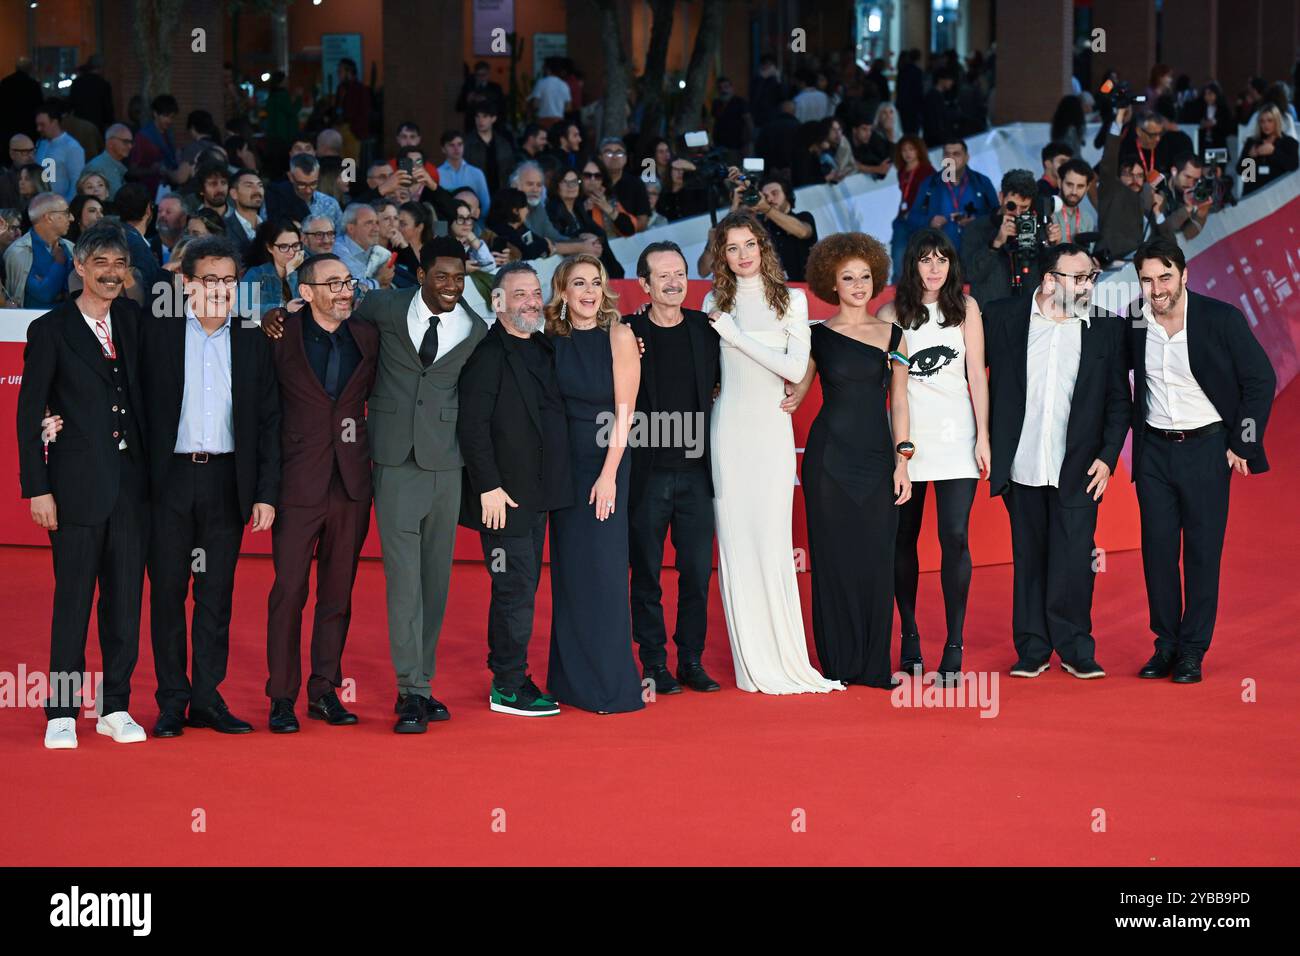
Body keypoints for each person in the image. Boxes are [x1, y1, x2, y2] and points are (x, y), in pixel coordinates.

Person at [140, 236, 281, 738]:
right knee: (168, 593)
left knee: (216, 594)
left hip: (227, 481)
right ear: (185, 283)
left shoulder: (252, 338)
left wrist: (266, 493)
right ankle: (172, 700)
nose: (220, 289)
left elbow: (269, 422)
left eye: (228, 280)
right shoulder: (155, 333)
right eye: (208, 280)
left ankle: (206, 698)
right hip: (168, 481)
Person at [17, 222, 149, 749]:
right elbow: (29, 416)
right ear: (80, 267)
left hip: (132, 487)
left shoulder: (136, 320)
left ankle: (116, 706)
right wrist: (38, 489)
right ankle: (61, 712)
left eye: (120, 265)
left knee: (124, 601)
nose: (112, 273)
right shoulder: (50, 330)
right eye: (102, 264)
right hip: (73, 487)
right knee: (73, 599)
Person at [350, 237, 489, 731]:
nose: (451, 286)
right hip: (392, 460)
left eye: (459, 278)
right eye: (442, 276)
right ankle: (410, 690)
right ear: (422, 273)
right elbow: (336, 321)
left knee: (436, 580)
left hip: (445, 464)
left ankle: (423, 683)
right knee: (403, 581)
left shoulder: (474, 328)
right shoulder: (383, 306)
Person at [702, 210, 841, 695]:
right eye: (731, 247)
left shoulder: (792, 300)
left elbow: (793, 364)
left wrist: (735, 336)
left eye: (749, 245)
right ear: (721, 254)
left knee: (773, 541)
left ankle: (784, 655)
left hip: (770, 431)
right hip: (729, 434)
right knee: (736, 544)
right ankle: (750, 661)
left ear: (763, 247)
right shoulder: (713, 299)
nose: (742, 255)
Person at [1127, 238, 1276, 683]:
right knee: (1156, 553)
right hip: (1153, 450)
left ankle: (1193, 649)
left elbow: (1260, 379)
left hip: (1206, 450)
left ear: (1184, 275)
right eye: (1147, 279)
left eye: (1165, 277)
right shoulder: (1134, 319)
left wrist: (1242, 443)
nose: (1156, 288)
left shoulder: (1220, 319)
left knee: (1201, 554)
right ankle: (1165, 644)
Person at [983, 243, 1131, 680]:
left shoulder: (1107, 328)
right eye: (1078, 278)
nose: (1088, 286)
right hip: (1022, 463)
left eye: (1091, 277)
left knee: (1073, 558)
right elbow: (971, 374)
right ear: (1049, 279)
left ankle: (1075, 646)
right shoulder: (1005, 318)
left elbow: (1119, 402)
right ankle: (1032, 648)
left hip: (1081, 466)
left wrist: (1107, 458)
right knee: (1029, 557)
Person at [785, 233, 911, 688]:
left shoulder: (895, 335)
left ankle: (875, 664)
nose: (858, 284)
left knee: (877, 558)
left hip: (878, 460)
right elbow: (796, 391)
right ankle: (837, 663)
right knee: (834, 560)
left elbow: (900, 401)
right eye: (847, 277)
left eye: (864, 276)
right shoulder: (815, 337)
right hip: (828, 463)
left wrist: (903, 461)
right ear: (831, 283)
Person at [264, 253, 378, 732]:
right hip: (297, 483)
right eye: (331, 283)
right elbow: (262, 413)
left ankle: (324, 690)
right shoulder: (276, 334)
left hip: (351, 483)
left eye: (347, 281)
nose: (344, 290)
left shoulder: (368, 336)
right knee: (289, 592)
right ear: (305, 292)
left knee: (338, 592)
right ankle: (281, 697)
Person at [456, 262, 571, 716]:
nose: (529, 301)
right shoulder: (486, 355)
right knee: (514, 589)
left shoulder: (544, 347)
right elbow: (472, 426)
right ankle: (507, 683)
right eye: (519, 294)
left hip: (542, 494)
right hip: (504, 499)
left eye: (534, 292)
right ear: (497, 302)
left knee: (522, 587)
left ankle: (512, 673)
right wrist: (489, 488)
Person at [879, 228, 988, 678]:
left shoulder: (966, 308)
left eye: (942, 259)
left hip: (956, 437)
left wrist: (984, 436)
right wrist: (898, 454)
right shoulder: (891, 313)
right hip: (909, 441)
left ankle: (954, 644)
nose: (934, 268)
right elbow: (890, 389)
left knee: (955, 537)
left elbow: (977, 376)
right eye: (925, 259)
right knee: (903, 539)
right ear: (912, 265)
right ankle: (909, 636)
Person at [542, 253, 644, 713]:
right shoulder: (549, 340)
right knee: (569, 574)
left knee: (603, 573)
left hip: (606, 462)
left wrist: (609, 475)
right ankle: (570, 683)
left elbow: (626, 414)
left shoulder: (620, 336)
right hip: (563, 469)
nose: (588, 291)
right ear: (562, 291)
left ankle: (609, 686)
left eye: (595, 282)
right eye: (578, 283)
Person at [624, 242, 722, 695]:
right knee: (645, 573)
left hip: (698, 473)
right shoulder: (627, 332)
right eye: (662, 275)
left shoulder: (707, 329)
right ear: (644, 284)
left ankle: (690, 659)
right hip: (647, 474)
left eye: (679, 273)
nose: (673, 282)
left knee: (697, 573)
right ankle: (653, 661)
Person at [961, 169, 1060, 308]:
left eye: (1024, 207)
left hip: (1028, 310)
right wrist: (996, 244)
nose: (1017, 213)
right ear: (1001, 197)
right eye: (1012, 206)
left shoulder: (1037, 226)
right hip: (992, 313)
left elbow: (1052, 274)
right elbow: (969, 274)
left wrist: (1052, 244)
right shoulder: (976, 229)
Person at [905, 137, 998, 251]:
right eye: (947, 154)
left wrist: (976, 221)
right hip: (942, 255)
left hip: (978, 253)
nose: (951, 158)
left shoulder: (982, 182)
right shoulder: (929, 184)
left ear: (966, 157)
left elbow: (997, 216)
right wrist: (929, 221)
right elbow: (912, 219)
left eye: (956, 154)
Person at [724, 173, 816, 282]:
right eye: (765, 196)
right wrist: (735, 206)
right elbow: (726, 238)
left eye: (775, 193)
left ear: (788, 195)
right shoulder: (758, 224)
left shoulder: (803, 216)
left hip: (803, 288)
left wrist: (766, 209)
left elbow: (803, 232)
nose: (770, 199)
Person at [1096, 105, 1159, 260]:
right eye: (1129, 175)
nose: (1134, 180)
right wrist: (1119, 119)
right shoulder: (1112, 190)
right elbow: (1109, 159)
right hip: (1111, 264)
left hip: (1137, 265)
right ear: (1118, 177)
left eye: (1139, 176)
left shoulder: (1146, 201)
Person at [3, 192, 73, 308]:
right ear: (48, 217)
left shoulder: (71, 248)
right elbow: (45, 294)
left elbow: (73, 293)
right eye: (66, 213)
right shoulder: (18, 252)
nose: (72, 218)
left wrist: (53, 285)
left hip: (68, 322)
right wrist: (59, 264)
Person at [889, 134, 934, 281]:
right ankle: (897, 290)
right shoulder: (902, 171)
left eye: (911, 149)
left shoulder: (928, 171)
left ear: (918, 150)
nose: (907, 153)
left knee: (919, 257)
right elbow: (905, 195)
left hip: (920, 219)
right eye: (904, 150)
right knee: (898, 255)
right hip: (903, 218)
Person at [239, 218, 303, 319]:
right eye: (283, 246)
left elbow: (301, 309)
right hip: (262, 332)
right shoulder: (257, 273)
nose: (291, 252)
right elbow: (242, 308)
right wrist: (282, 308)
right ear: (269, 247)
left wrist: (292, 274)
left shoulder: (304, 271)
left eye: (295, 245)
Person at [1239, 103, 1299, 196]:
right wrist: (1249, 158)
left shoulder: (1289, 142)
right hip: (1254, 196)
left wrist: (1273, 152)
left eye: (1269, 120)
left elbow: (1293, 166)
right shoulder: (1252, 142)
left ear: (1277, 121)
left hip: (1278, 197)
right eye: (1262, 121)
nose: (1265, 125)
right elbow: (1243, 173)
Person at [333, 202, 394, 292]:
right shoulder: (338, 250)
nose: (376, 228)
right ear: (351, 228)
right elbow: (354, 287)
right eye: (369, 223)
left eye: (377, 223)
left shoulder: (380, 252)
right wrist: (378, 281)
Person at [596, 137, 650, 232]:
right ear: (600, 158)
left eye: (619, 153)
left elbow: (643, 221)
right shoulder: (592, 181)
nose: (614, 157)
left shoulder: (636, 184)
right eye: (608, 153)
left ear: (625, 158)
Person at [35, 102, 85, 201]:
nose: (39, 129)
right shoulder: (40, 144)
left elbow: (77, 182)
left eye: (42, 124)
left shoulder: (72, 147)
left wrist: (66, 206)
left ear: (54, 122)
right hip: (39, 204)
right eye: (37, 125)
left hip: (60, 206)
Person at [1153, 153, 1210, 241]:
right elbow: (1164, 231)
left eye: (1195, 179)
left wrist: (1201, 215)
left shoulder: (1194, 190)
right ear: (1174, 171)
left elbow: (1188, 234)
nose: (1191, 184)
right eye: (1187, 177)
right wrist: (1186, 209)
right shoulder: (1156, 188)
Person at [463, 106, 516, 195]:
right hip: (475, 193)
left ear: (493, 119)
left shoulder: (503, 143)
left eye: (485, 116)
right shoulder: (467, 143)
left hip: (500, 194)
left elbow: (510, 169)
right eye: (477, 116)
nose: (480, 120)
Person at [436, 129, 491, 216]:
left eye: (460, 144)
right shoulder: (437, 173)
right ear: (443, 149)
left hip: (473, 224)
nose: (456, 149)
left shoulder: (477, 173)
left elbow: (486, 204)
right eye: (451, 145)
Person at [1053, 158, 1097, 243]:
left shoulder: (1088, 220)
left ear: (1087, 187)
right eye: (1069, 184)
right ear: (1059, 182)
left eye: (1080, 186)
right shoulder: (1047, 214)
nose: (1074, 192)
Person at [82, 124, 132, 200]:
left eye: (131, 142)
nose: (130, 146)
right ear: (110, 143)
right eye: (125, 141)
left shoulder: (115, 167)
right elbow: (89, 203)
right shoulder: (96, 168)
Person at [223, 168, 264, 260]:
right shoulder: (223, 229)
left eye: (260, 185)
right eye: (249, 186)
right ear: (234, 194)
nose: (257, 190)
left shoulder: (272, 227)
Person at [529, 58, 572, 128]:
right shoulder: (564, 85)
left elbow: (535, 104)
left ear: (548, 69)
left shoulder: (541, 83)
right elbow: (568, 108)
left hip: (543, 121)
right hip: (559, 121)